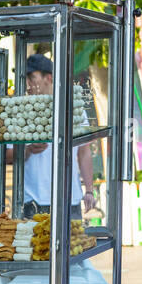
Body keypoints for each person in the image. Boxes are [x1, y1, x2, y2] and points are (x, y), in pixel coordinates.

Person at [12, 54, 95, 219]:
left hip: (69, 201)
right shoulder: (19, 111)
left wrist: (90, 190)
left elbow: (84, 152)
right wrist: (28, 150)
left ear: (48, 78)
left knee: (73, 245)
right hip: (32, 203)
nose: (27, 83)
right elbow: (6, 157)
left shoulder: (74, 109)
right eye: (25, 77)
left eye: (31, 77)